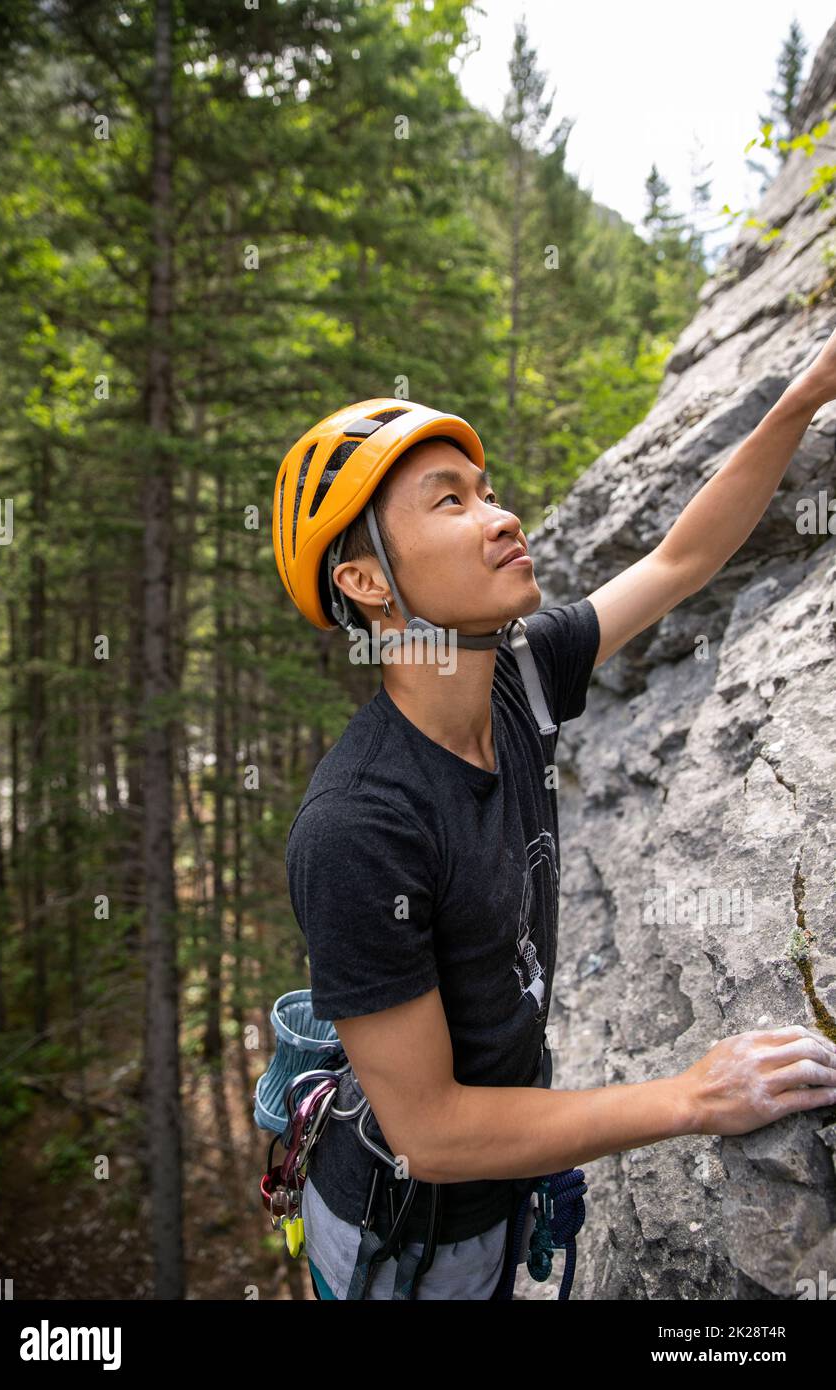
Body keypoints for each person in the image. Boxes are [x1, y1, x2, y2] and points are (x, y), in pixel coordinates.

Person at [274, 390, 836, 1301]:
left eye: (488, 493)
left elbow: (683, 559)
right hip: (404, 1240)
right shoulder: (360, 825)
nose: (501, 517)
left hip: (501, 1198)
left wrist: (808, 394)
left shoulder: (519, 676)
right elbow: (432, 1132)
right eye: (450, 502)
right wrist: (692, 1098)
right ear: (367, 582)